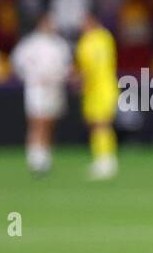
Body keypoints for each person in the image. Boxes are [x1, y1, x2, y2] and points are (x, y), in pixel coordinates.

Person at [11, 14, 71, 175]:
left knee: (49, 122)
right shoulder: (30, 43)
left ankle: (45, 156)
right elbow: (18, 63)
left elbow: (66, 66)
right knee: (37, 121)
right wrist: (32, 77)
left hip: (54, 88)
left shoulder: (60, 44)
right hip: (36, 88)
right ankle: (35, 158)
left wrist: (58, 77)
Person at [75, 9, 120, 179]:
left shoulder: (87, 42)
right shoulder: (106, 37)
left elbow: (88, 68)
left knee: (100, 124)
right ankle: (105, 159)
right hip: (107, 86)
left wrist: (79, 81)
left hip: (98, 88)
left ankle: (104, 161)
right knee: (101, 124)